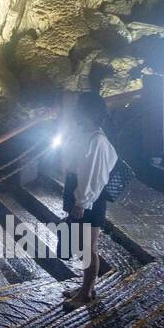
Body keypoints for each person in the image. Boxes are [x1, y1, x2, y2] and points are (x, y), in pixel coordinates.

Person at [61, 92, 118, 311]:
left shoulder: (97, 140)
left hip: (89, 200)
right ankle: (86, 287)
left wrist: (82, 202)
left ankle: (86, 293)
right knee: (81, 245)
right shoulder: (86, 134)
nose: (75, 111)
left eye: (79, 108)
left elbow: (94, 175)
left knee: (88, 247)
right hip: (78, 193)